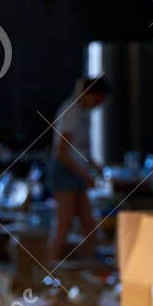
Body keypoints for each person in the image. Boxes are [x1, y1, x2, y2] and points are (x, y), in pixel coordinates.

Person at [46, 75, 111, 266]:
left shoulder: (83, 113)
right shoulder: (71, 111)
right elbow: (62, 153)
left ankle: (90, 267)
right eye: (97, 99)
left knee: (89, 224)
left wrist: (95, 166)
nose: (98, 105)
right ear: (88, 94)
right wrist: (84, 174)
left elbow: (81, 149)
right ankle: (49, 268)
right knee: (64, 223)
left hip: (77, 171)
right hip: (64, 171)